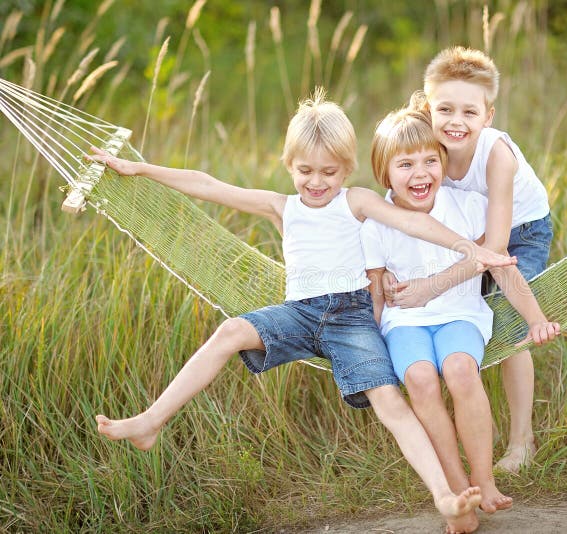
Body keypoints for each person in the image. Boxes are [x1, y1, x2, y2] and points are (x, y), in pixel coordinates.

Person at [89, 89, 517, 533]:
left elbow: (414, 222)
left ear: (347, 169)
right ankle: (150, 421)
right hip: (300, 314)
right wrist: (138, 169)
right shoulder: (282, 206)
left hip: (352, 319)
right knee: (231, 330)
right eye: (305, 171)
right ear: (289, 165)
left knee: (390, 401)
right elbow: (208, 185)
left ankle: (445, 497)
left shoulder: (356, 201)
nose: (317, 182)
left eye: (329, 172)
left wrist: (469, 249)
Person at [362, 107, 559, 525]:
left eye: (430, 160)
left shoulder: (467, 206)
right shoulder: (377, 223)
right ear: (385, 173)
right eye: (406, 165)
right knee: (418, 379)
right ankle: (456, 490)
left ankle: (483, 479)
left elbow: (499, 263)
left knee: (461, 371)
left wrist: (535, 318)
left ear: (442, 162)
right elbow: (376, 292)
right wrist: (371, 353)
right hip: (404, 323)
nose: (421, 174)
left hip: (461, 315)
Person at [383, 47, 554, 473]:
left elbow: (495, 250)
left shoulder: (497, 155)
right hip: (457, 234)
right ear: (428, 108)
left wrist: (430, 287)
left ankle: (521, 442)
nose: (456, 122)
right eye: (445, 109)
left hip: (516, 235)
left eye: (469, 112)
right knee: (458, 299)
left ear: (488, 116)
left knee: (504, 313)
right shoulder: (426, 137)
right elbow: (401, 183)